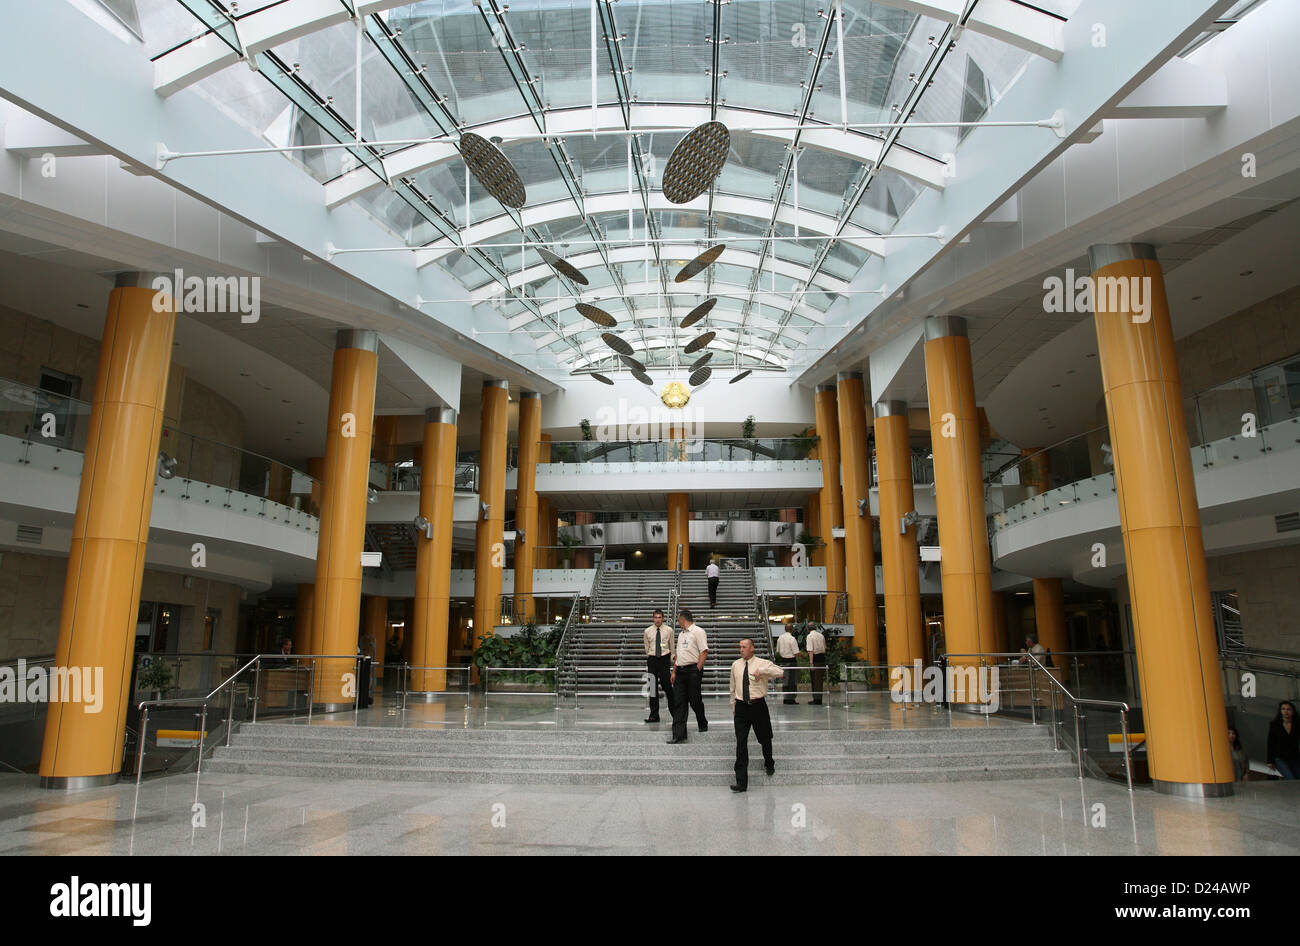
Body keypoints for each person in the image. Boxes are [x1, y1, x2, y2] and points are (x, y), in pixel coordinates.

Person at [729, 638, 785, 792]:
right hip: (741, 707)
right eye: (740, 647)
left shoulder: (762, 663)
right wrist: (733, 705)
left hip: (758, 705)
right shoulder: (736, 665)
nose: (741, 650)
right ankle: (741, 782)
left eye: (744, 647)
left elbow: (780, 672)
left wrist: (762, 671)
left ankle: (769, 762)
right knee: (741, 743)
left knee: (765, 738)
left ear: (752, 648)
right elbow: (732, 687)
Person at [667, 608, 708, 744]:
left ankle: (702, 722)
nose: (677, 622)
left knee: (694, 700)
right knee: (678, 702)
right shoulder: (682, 634)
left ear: (683, 619)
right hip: (680, 671)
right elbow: (678, 656)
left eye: (678, 619)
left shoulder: (698, 632)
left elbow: (704, 652)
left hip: (693, 670)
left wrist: (697, 670)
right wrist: (674, 671)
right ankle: (678, 734)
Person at [642, 608, 674, 723]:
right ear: (653, 618)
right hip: (652, 660)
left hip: (664, 659)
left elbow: (672, 646)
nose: (657, 620)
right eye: (655, 617)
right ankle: (654, 715)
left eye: (659, 617)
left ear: (663, 618)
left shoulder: (669, 630)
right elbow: (647, 647)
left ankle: (675, 713)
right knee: (653, 689)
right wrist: (652, 655)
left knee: (668, 687)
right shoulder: (647, 631)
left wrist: (672, 659)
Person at [1267, 701, 1300, 779]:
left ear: (1293, 712)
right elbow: (1271, 743)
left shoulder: (1297, 724)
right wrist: (1270, 760)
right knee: (1290, 778)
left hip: (1295, 757)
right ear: (1280, 711)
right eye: (1283, 709)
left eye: (1288, 709)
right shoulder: (1275, 724)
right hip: (1280, 758)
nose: (1286, 711)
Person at [775, 617, 800, 704]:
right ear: (792, 629)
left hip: (783, 661)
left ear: (785, 629)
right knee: (792, 680)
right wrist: (802, 656)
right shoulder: (792, 639)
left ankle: (785, 698)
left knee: (785, 680)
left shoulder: (780, 638)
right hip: (791, 661)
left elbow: (777, 651)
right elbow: (796, 652)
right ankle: (791, 699)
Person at [806, 622, 827, 705]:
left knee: (814, 679)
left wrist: (811, 663)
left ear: (808, 629)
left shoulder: (809, 636)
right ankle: (819, 699)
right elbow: (825, 648)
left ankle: (816, 699)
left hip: (815, 658)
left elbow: (810, 650)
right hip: (822, 658)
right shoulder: (821, 635)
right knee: (820, 680)